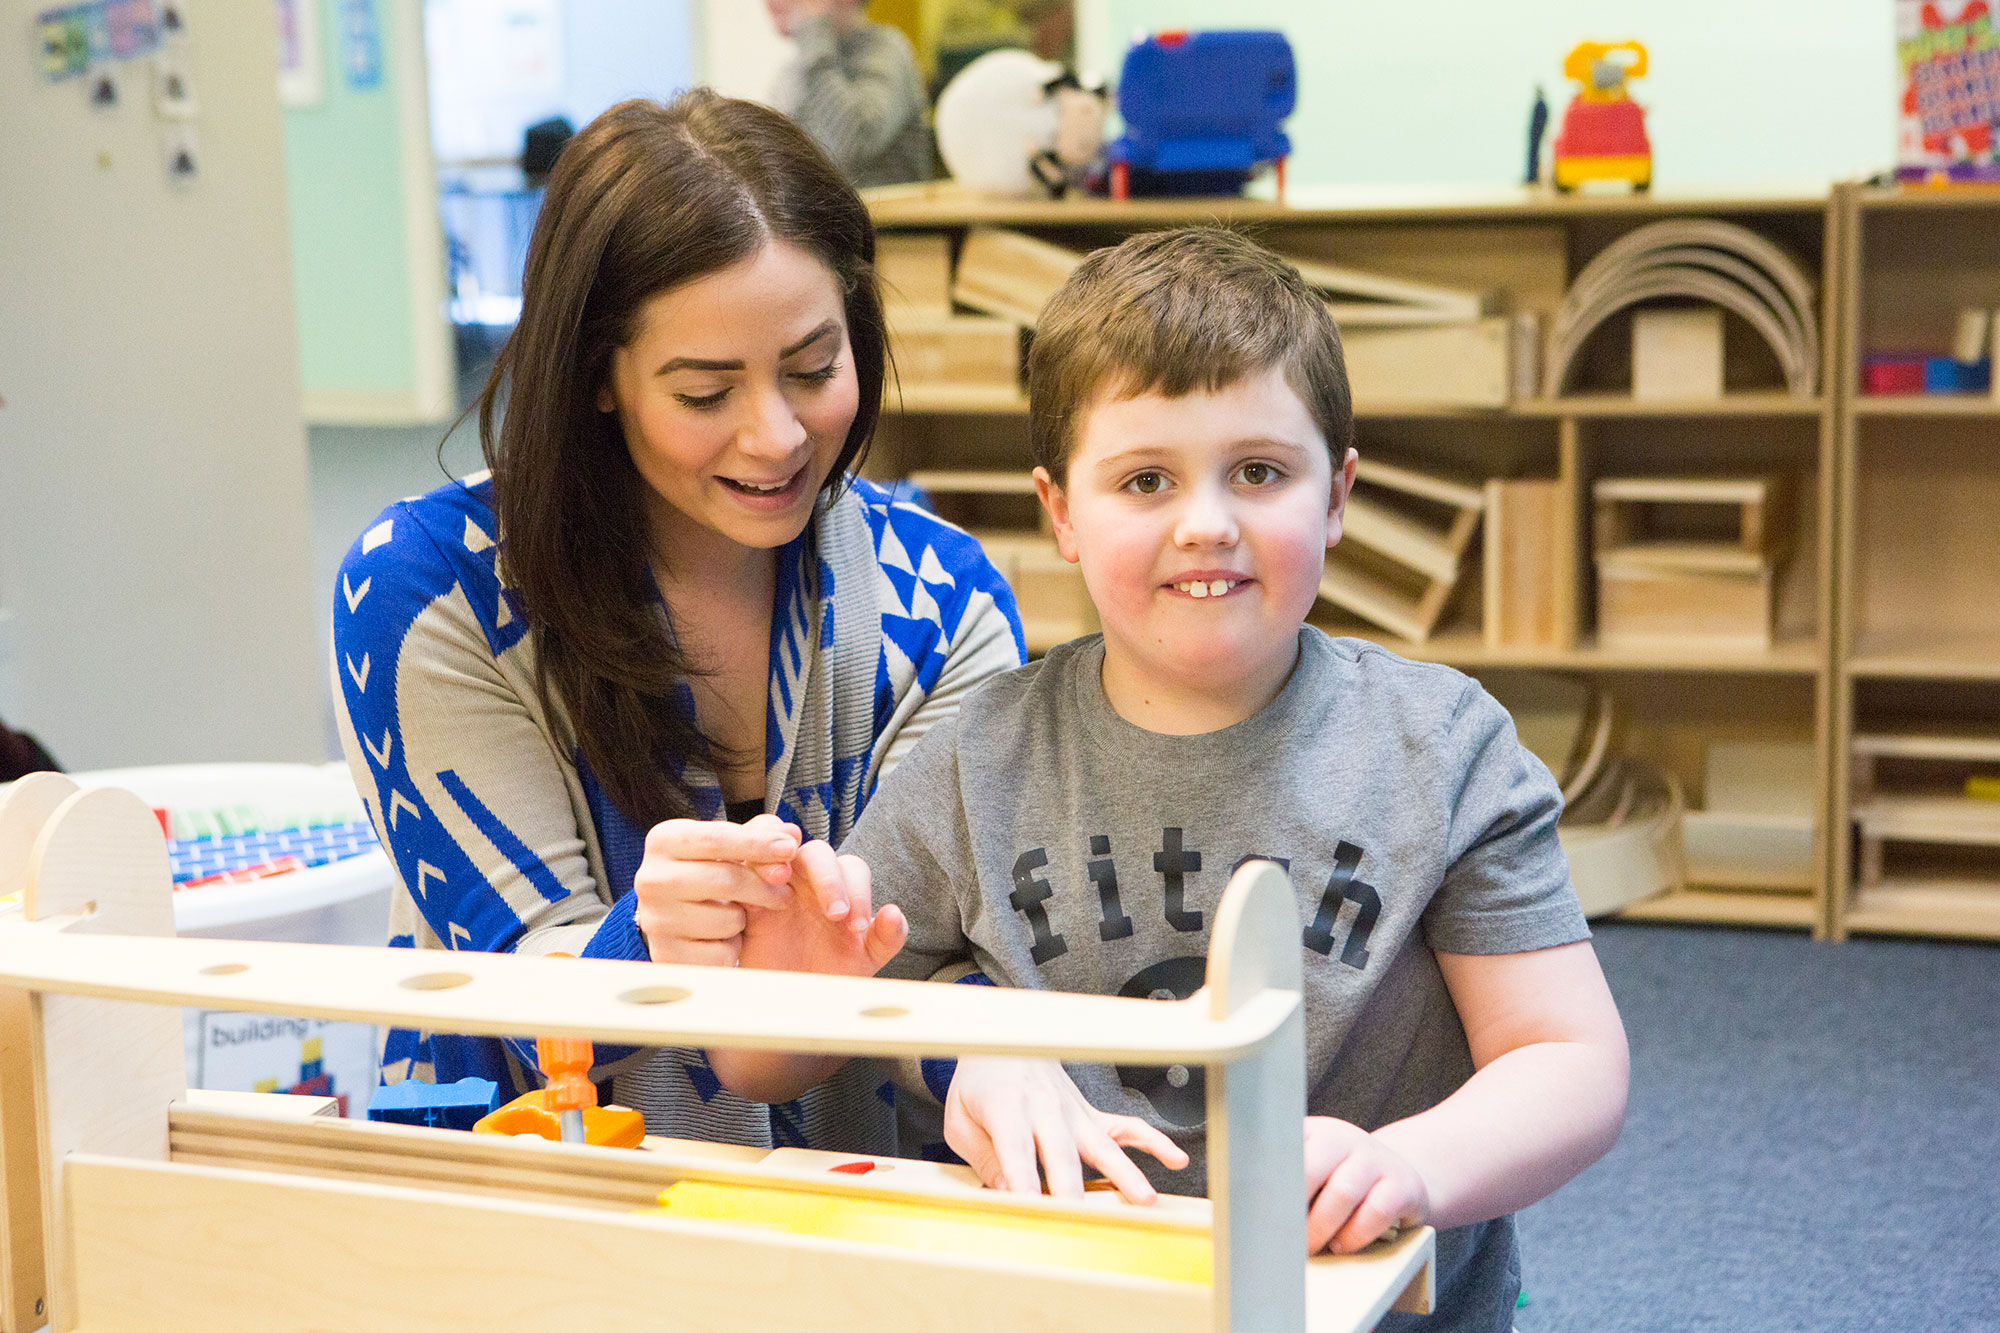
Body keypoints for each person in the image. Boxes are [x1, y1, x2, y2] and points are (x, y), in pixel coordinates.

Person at [731, 228, 1629, 1331]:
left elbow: (1568, 1059)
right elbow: (771, 1056)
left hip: (1372, 1306)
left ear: (1336, 495)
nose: (1205, 523)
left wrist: (1408, 1166)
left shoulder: (1443, 749)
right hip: (1080, 1304)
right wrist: (810, 996)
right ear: (1060, 512)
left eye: (1258, 471)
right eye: (1144, 479)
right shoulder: (976, 759)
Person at [330, 92, 1021, 1154]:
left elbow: (929, 961)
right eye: (705, 392)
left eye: (813, 367)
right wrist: (643, 946)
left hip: (860, 1233)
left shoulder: (945, 598)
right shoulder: (428, 591)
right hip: (528, 1221)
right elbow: (523, 990)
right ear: (597, 376)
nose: (778, 435)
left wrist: (998, 1064)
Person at [766, 0, 931, 188]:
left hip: (885, 215)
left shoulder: (886, 49)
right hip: (825, 217)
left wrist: (814, 31)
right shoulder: (792, 71)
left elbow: (851, 145)